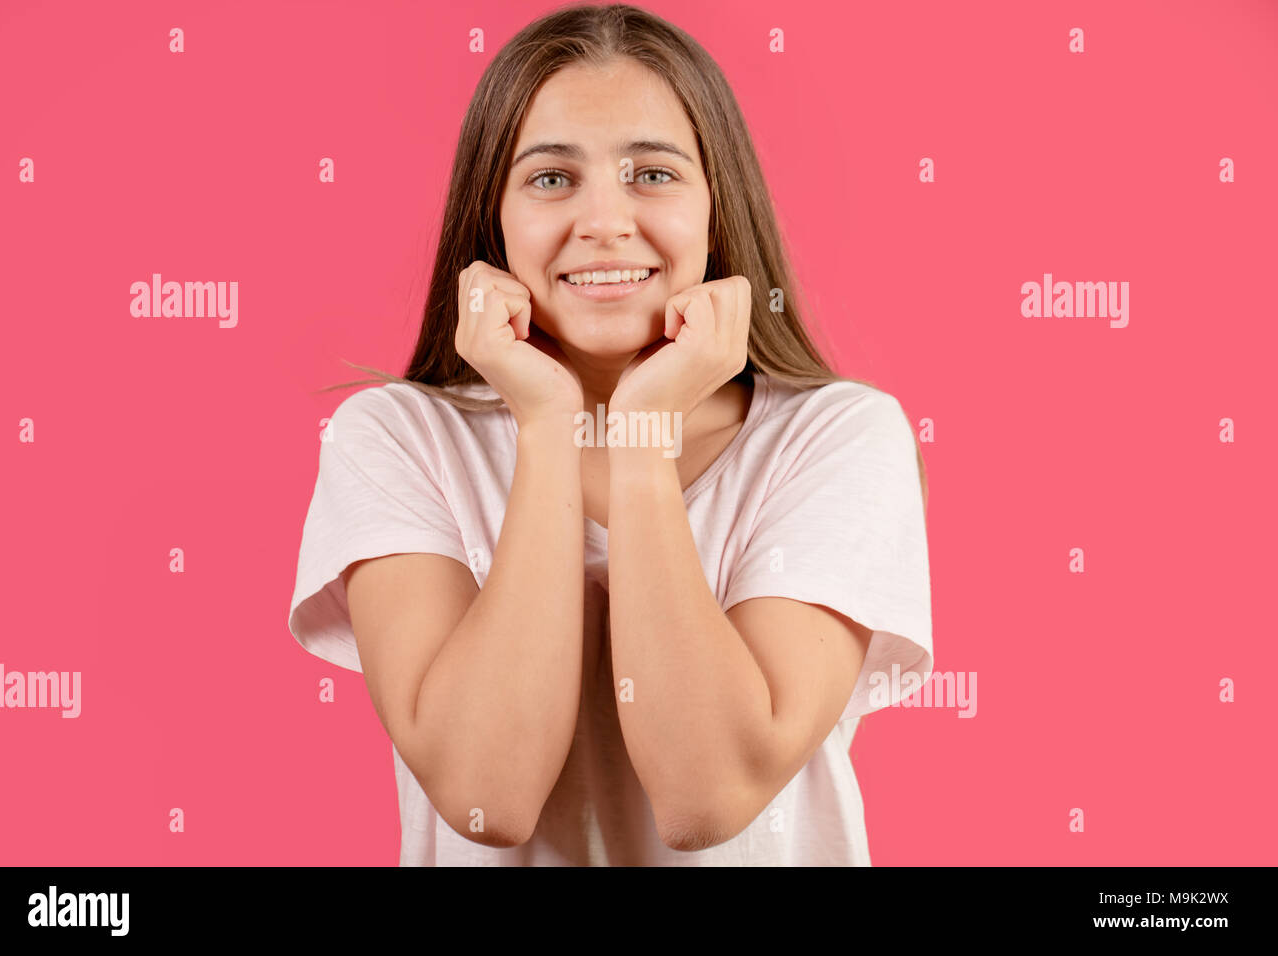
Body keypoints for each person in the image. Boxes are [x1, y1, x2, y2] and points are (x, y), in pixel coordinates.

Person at [288, 2, 932, 865]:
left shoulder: (838, 438)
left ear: (717, 204)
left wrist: (639, 437)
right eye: (552, 178)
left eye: (653, 174)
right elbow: (488, 797)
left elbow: (709, 794)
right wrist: (548, 425)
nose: (603, 221)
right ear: (494, 218)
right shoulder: (397, 439)